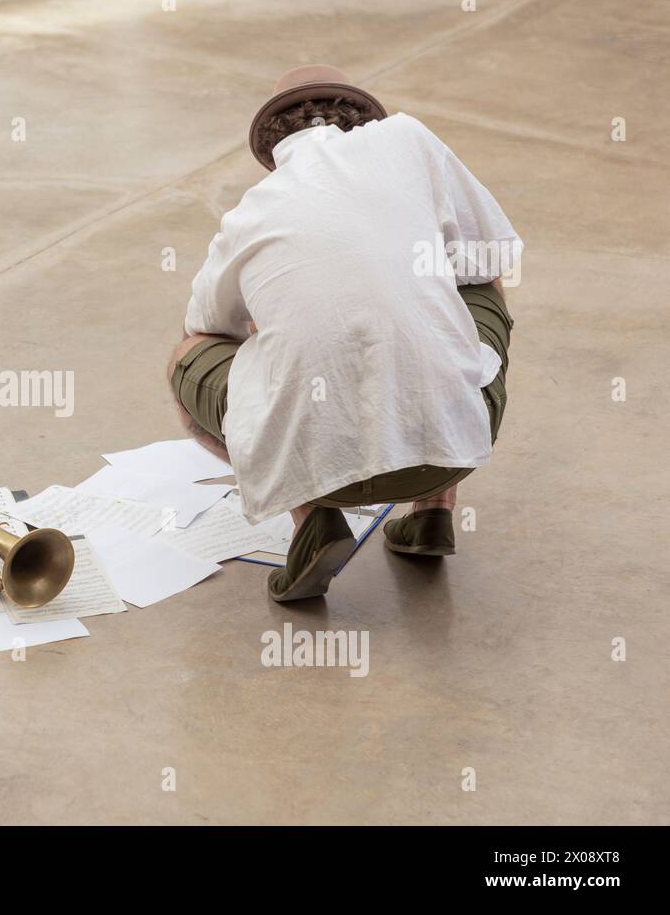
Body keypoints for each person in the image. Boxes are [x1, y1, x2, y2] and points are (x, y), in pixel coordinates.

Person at [169, 65, 518, 602]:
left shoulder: (250, 212)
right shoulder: (406, 139)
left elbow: (206, 327)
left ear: (272, 144)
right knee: (474, 277)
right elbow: (491, 252)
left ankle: (311, 516)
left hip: (324, 466)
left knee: (187, 356)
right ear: (362, 120)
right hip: (455, 444)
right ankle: (433, 511)